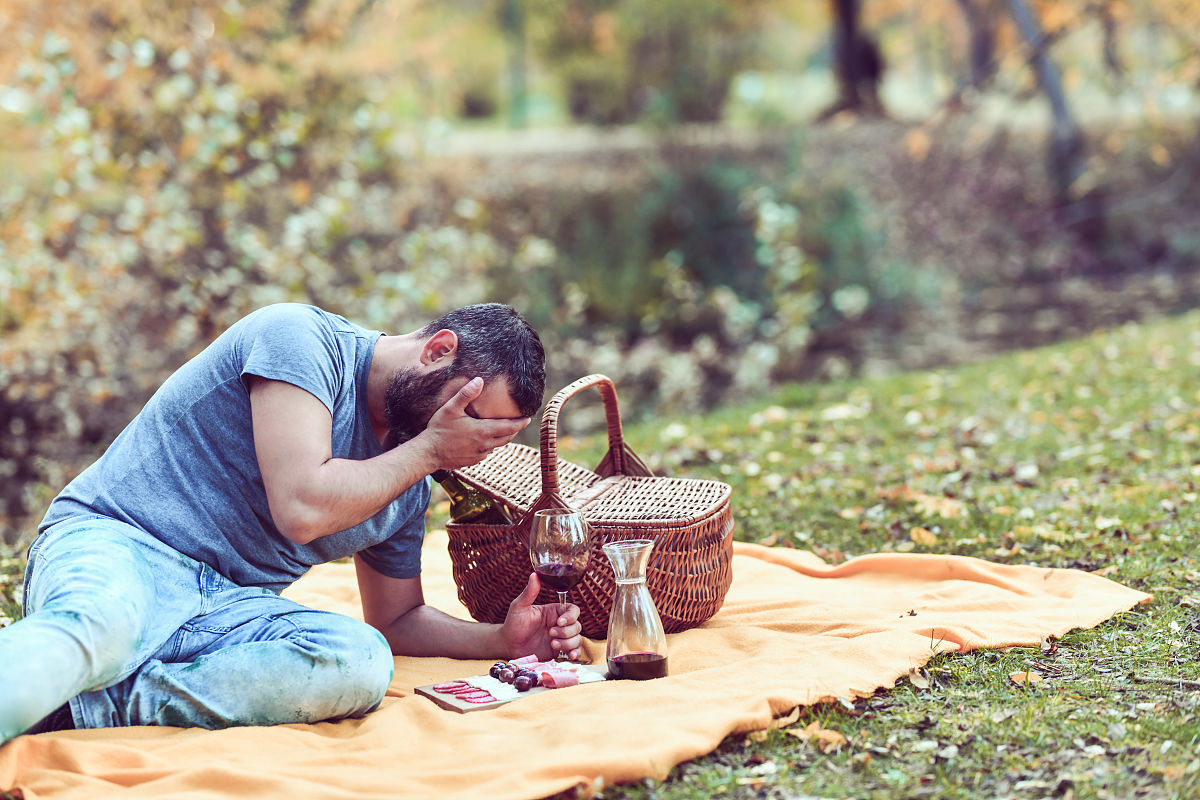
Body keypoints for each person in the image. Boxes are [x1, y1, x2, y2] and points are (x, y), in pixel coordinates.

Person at [0, 301, 578, 743]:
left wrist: (500, 640)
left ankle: (82, 706)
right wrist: (429, 451)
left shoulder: (408, 475)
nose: (465, 445)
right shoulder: (301, 340)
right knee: (104, 623)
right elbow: (302, 507)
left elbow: (396, 619)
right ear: (437, 351)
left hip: (226, 609)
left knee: (360, 663)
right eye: (469, 415)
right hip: (123, 542)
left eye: (486, 437)